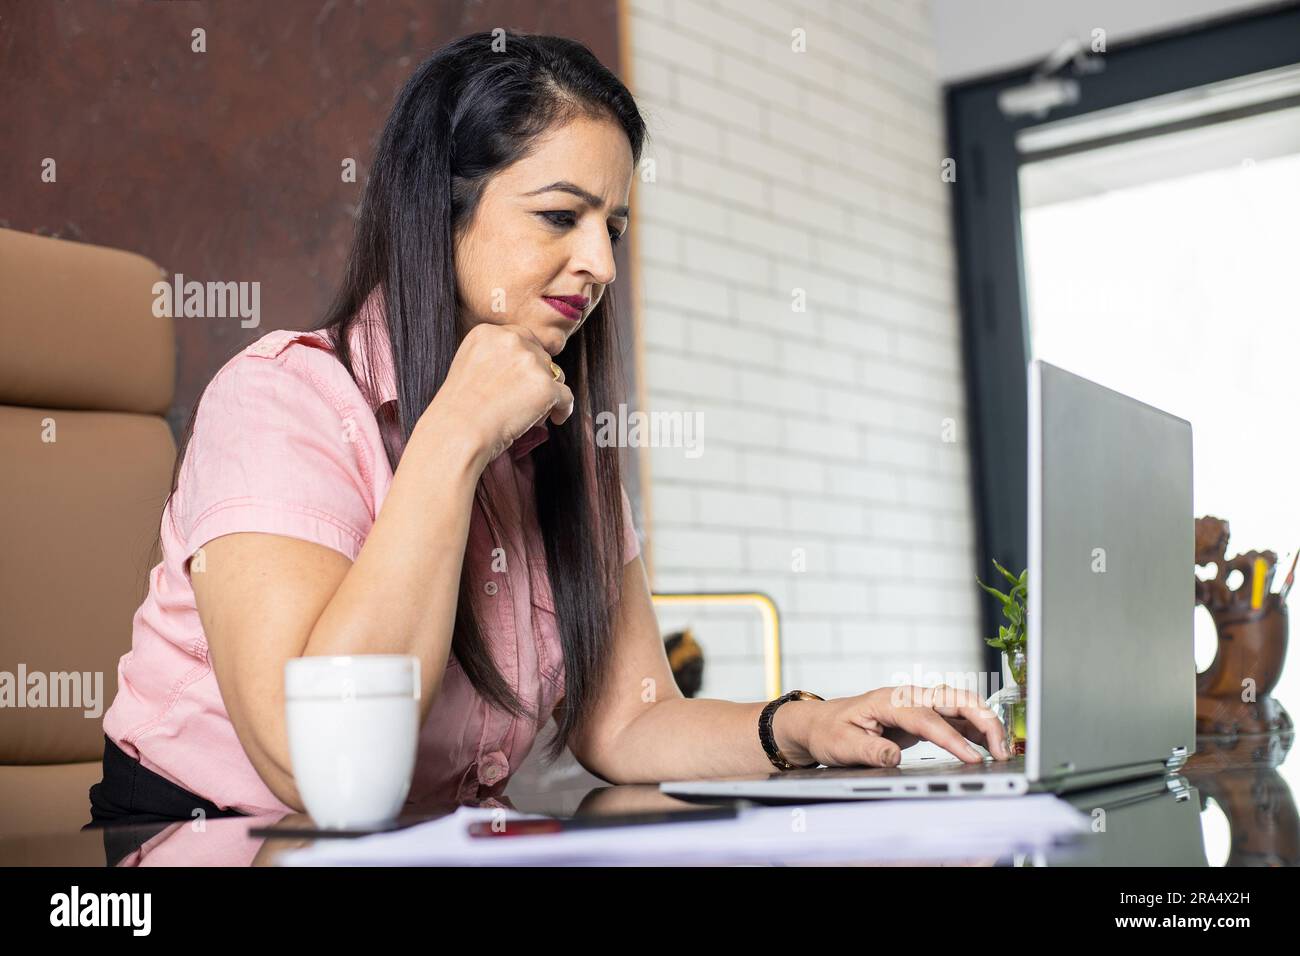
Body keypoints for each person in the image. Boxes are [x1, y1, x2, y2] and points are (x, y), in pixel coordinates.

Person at [88, 29, 1010, 838]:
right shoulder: (277, 400)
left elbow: (629, 722)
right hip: (206, 845)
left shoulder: (558, 436)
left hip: (414, 853)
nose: (602, 263)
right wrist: (451, 434)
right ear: (438, 210)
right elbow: (310, 762)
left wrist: (804, 725)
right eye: (559, 217)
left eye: (613, 225)